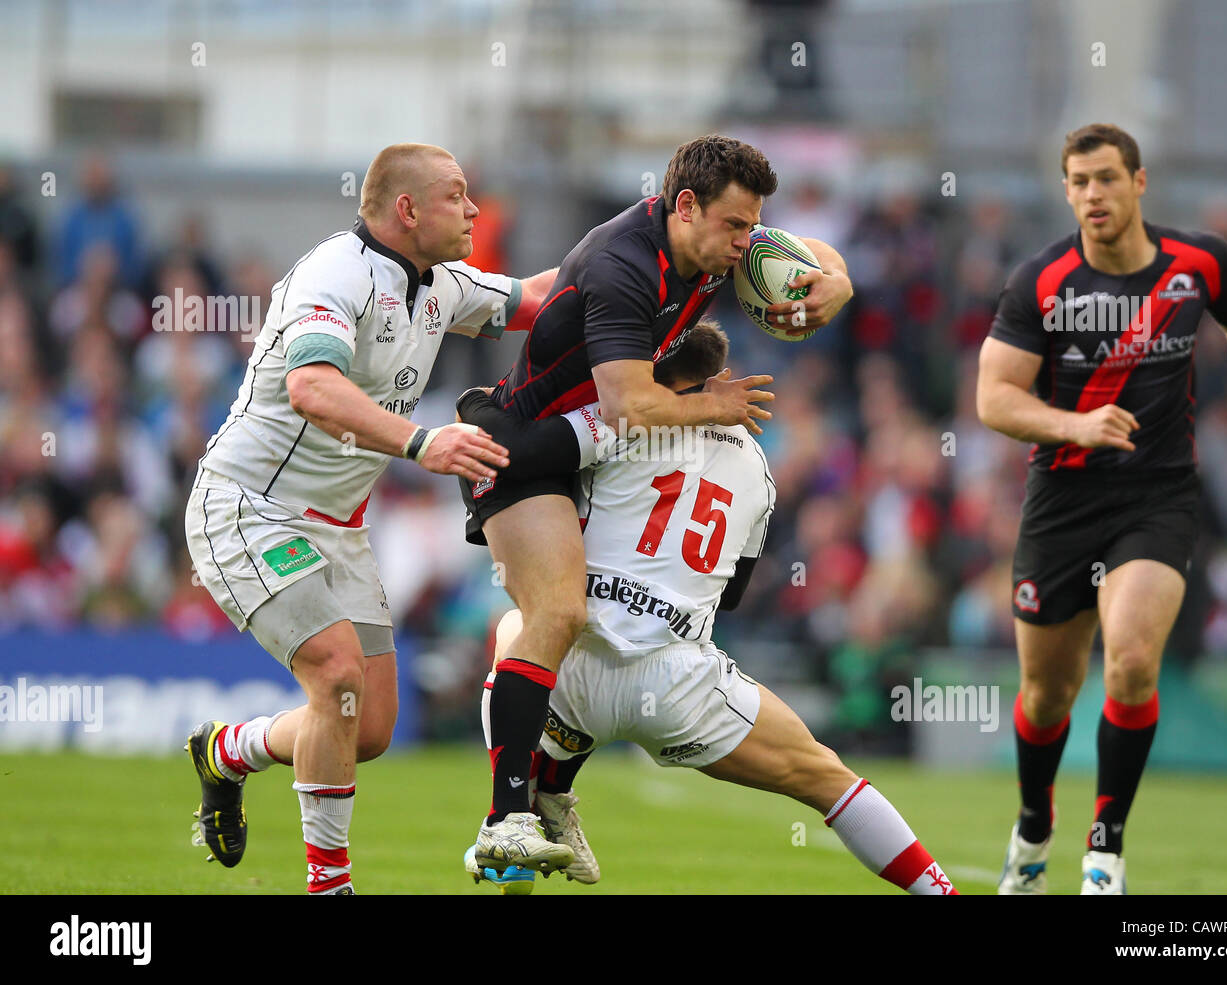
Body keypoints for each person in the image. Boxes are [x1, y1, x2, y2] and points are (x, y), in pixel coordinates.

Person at [458, 134, 855, 873]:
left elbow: (810, 250)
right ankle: (504, 819)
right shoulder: (625, 264)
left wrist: (838, 279)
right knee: (559, 614)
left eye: (752, 226)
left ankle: (545, 799)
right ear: (684, 207)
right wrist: (713, 404)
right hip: (518, 449)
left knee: (590, 626)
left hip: (585, 449)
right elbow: (630, 402)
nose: (749, 244)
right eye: (737, 227)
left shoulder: (712, 241)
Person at [460, 321, 957, 895]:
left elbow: (518, 455)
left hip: (573, 664)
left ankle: (522, 808)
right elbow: (736, 592)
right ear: (716, 379)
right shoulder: (757, 466)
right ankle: (940, 890)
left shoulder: (619, 421)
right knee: (827, 778)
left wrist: (478, 407)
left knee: (520, 626)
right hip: (678, 683)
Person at [183, 142, 556, 894]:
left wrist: (649, 254)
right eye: (457, 196)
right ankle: (331, 886)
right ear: (407, 210)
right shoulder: (336, 275)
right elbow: (314, 388)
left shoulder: (440, 283)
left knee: (368, 725)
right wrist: (425, 441)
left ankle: (228, 750)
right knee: (337, 672)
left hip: (339, 527)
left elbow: (542, 301)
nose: (475, 210)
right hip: (252, 509)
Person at [976, 123, 1227, 895]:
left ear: (1139, 182)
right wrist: (1073, 425)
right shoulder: (1041, 282)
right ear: (1066, 191)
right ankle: (1032, 827)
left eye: (1107, 179)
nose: (1093, 195)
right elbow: (992, 397)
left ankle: (1105, 852)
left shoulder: (1201, 264)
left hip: (1156, 497)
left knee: (1129, 661)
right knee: (1048, 693)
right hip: (1062, 500)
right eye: (1079, 182)